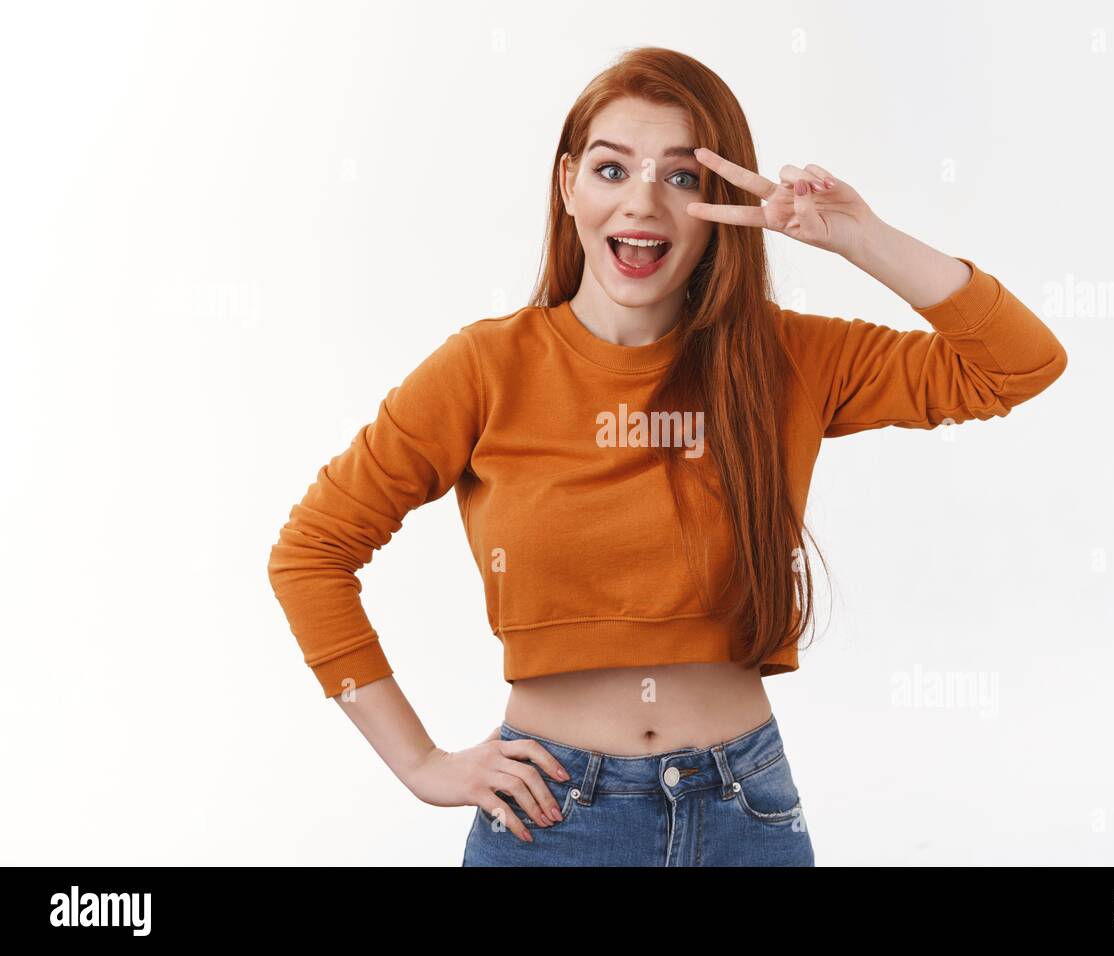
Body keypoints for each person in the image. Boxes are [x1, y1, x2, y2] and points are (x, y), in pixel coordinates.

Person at [266, 46, 1068, 867]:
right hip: (550, 815)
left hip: (745, 810)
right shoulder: (485, 368)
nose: (643, 202)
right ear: (568, 184)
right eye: (613, 171)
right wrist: (419, 763)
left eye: (682, 178)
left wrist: (864, 240)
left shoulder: (785, 358)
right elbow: (311, 553)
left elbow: (1018, 366)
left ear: (721, 201)